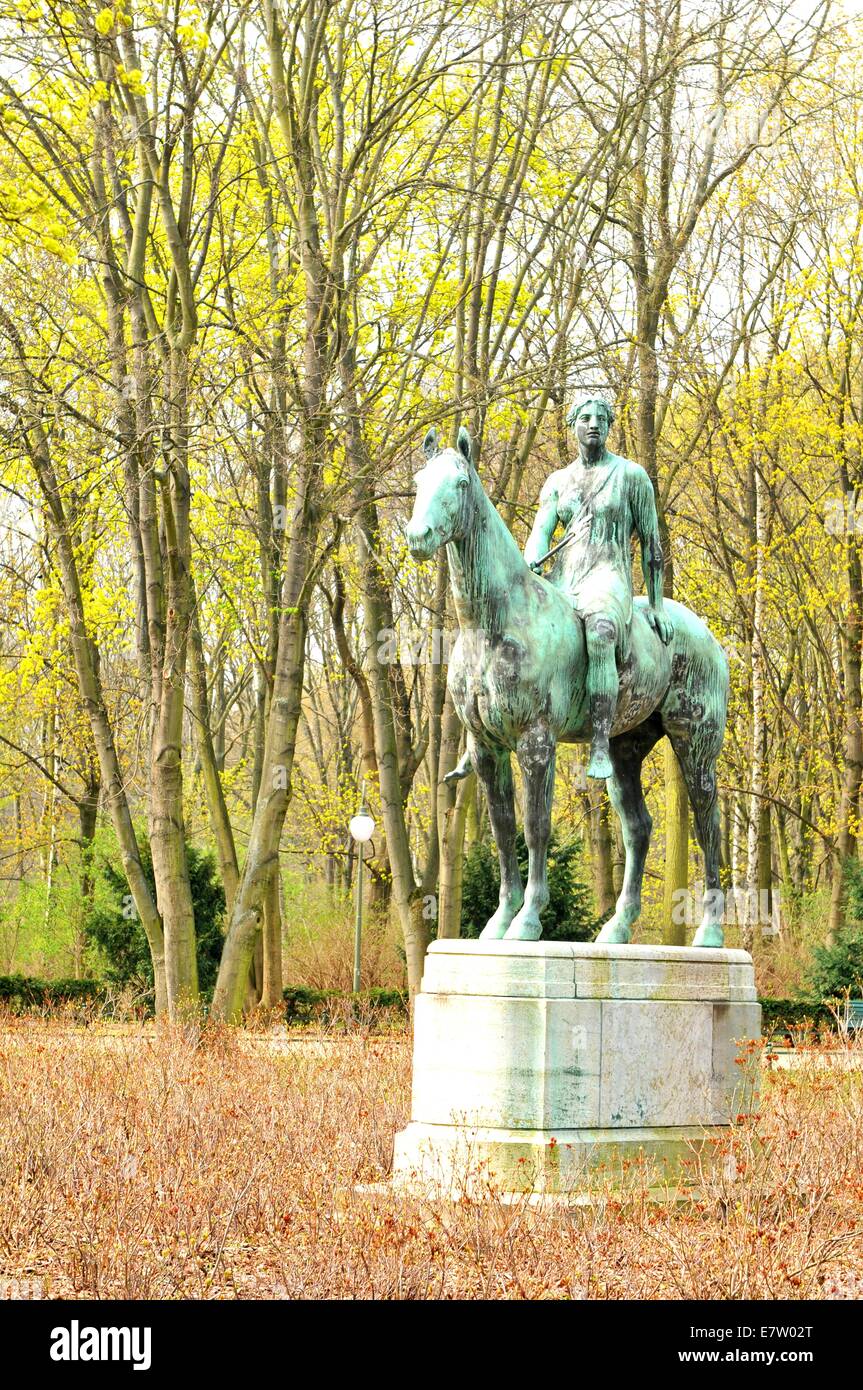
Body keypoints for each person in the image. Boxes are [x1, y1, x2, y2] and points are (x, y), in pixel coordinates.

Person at [523, 394, 673, 778]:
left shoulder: (631, 476)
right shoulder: (557, 482)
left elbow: (652, 547)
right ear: (573, 425)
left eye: (600, 419)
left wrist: (655, 604)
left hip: (608, 577)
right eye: (585, 418)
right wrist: (531, 561)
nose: (593, 424)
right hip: (563, 578)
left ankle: (601, 744)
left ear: (609, 426)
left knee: (601, 632)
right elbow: (541, 533)